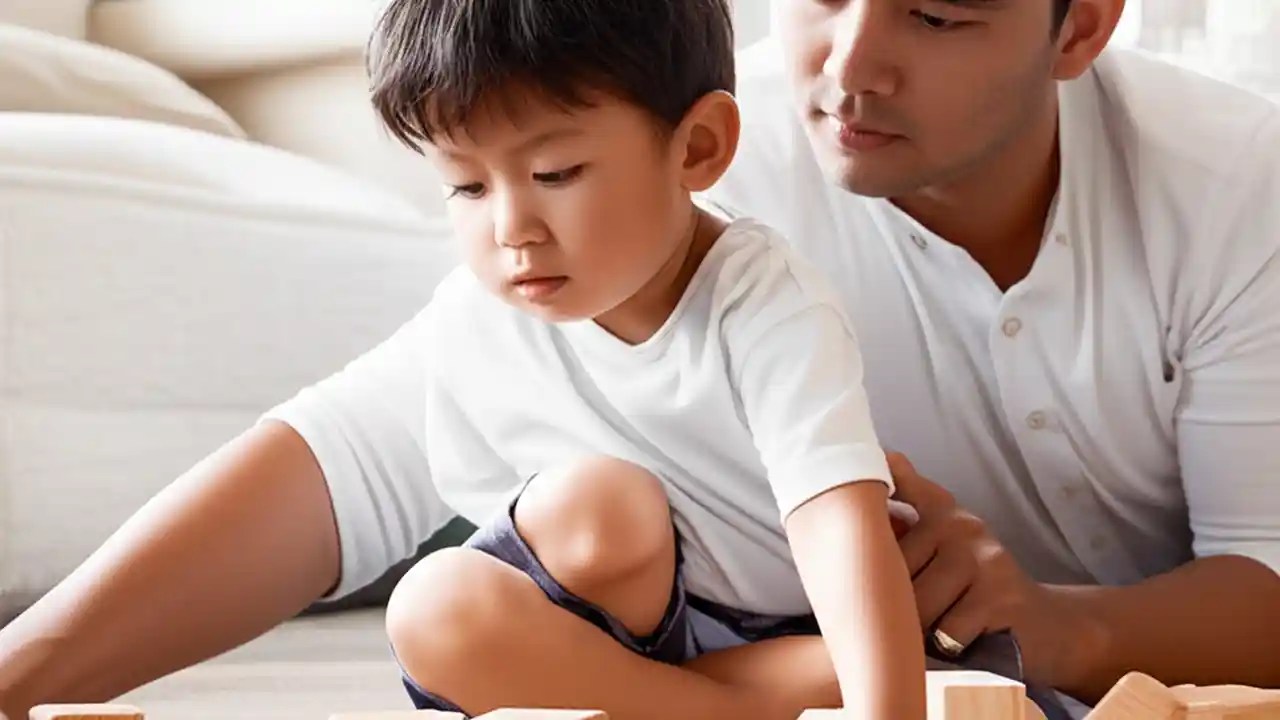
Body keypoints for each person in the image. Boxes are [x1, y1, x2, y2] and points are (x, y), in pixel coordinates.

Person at [0, 0, 1277, 717]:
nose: (847, 64)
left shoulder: (1233, 193)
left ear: (1079, 27)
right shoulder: (676, 148)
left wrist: (1055, 627)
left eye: (936, 12)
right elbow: (358, 454)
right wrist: (23, 675)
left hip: (978, 659)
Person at [367, 0, 927, 717]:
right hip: (608, 643)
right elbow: (520, 555)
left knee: (903, 664)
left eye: (556, 173)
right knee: (439, 602)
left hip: (782, 638)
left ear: (697, 147)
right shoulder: (471, 321)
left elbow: (836, 527)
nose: (512, 230)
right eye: (468, 187)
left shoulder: (763, 302)